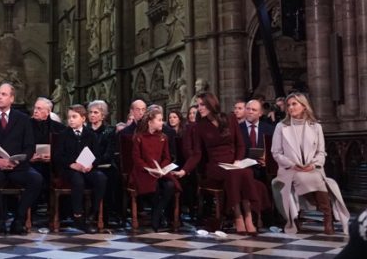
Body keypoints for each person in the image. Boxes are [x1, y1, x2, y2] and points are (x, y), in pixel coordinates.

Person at [172, 92, 264, 236]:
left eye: (202, 105)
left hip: (234, 162)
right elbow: (197, 154)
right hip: (215, 165)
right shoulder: (199, 126)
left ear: (211, 104)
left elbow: (240, 145)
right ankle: (238, 215)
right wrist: (184, 170)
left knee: (246, 172)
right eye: (198, 105)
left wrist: (238, 160)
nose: (199, 108)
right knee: (235, 174)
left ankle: (248, 215)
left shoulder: (230, 118)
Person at [270, 93, 349, 235]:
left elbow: (321, 152)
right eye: (288, 105)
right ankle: (324, 211)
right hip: (289, 169)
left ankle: (327, 218)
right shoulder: (281, 126)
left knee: (316, 177)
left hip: (312, 168)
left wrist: (313, 165)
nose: (290, 107)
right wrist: (292, 164)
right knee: (302, 177)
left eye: (294, 104)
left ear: (304, 106)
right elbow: (276, 153)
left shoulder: (316, 126)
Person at [0, 83, 43, 235]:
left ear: (12, 98)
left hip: (17, 167)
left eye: (3, 94)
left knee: (36, 179)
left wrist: (18, 160)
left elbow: (30, 147)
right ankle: (1, 220)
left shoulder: (23, 119)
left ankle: (19, 220)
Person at [53, 105, 107, 233]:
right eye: (69, 117)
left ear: (83, 118)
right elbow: (58, 156)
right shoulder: (63, 135)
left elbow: (97, 155)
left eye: (74, 117)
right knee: (78, 180)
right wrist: (71, 164)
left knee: (101, 178)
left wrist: (91, 165)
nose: (70, 120)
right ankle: (78, 216)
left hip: (87, 168)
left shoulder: (91, 135)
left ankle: (93, 212)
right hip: (69, 169)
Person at [130, 107, 181, 232]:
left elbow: (167, 157)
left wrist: (161, 168)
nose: (162, 122)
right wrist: (150, 169)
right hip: (143, 171)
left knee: (169, 185)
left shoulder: (163, 137)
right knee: (155, 186)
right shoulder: (139, 137)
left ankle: (157, 213)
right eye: (159, 120)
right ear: (150, 122)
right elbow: (137, 159)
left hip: (160, 171)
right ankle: (156, 217)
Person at [87, 99, 121, 225]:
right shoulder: (85, 131)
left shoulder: (110, 131)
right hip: (88, 166)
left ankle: (108, 213)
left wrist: (95, 162)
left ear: (103, 115)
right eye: (90, 112)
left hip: (105, 164)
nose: (92, 115)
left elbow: (109, 153)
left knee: (111, 176)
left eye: (95, 112)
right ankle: (91, 212)